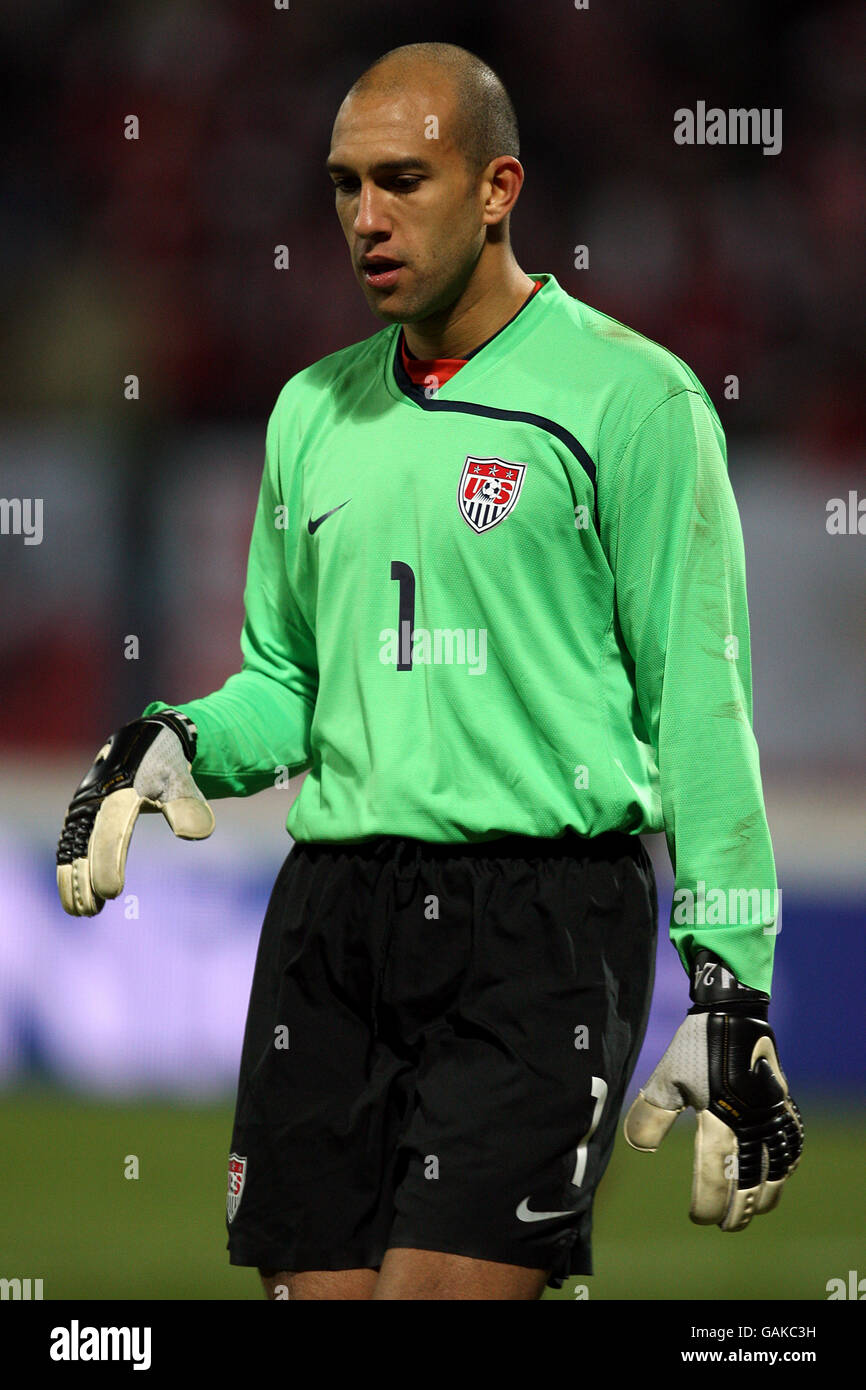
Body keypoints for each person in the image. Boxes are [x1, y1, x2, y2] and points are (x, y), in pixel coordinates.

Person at [56, 42, 803, 1301]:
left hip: (542, 924)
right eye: (344, 186)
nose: (366, 218)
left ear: (498, 186)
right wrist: (172, 737)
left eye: (402, 179)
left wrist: (729, 983)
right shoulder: (311, 413)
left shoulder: (633, 403)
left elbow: (700, 705)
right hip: (331, 923)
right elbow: (288, 682)